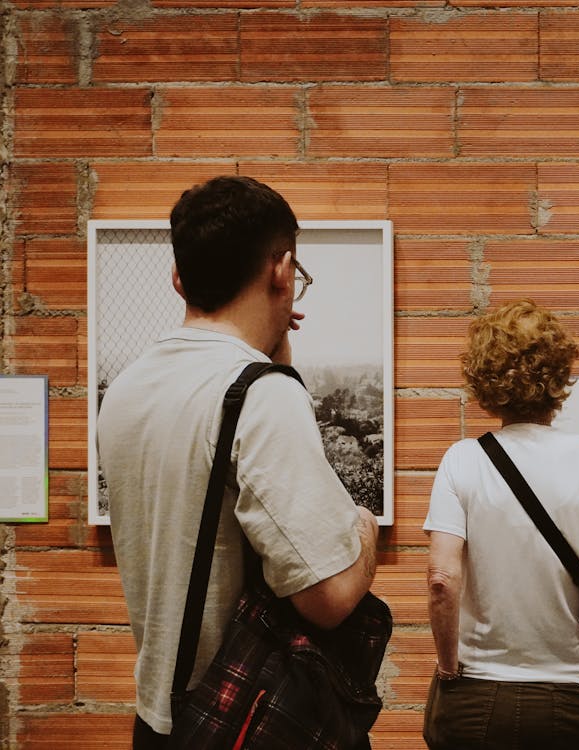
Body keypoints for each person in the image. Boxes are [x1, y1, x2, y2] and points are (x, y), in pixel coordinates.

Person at [97, 175, 380, 749]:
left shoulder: (126, 389)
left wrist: (274, 359)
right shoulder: (260, 395)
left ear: (180, 281)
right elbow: (326, 600)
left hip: (164, 719)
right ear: (281, 270)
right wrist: (365, 533)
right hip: (247, 722)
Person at [423, 299, 579, 750]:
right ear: (559, 372)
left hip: (479, 693)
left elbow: (442, 578)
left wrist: (448, 669)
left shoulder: (461, 461)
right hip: (576, 692)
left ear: (483, 376)